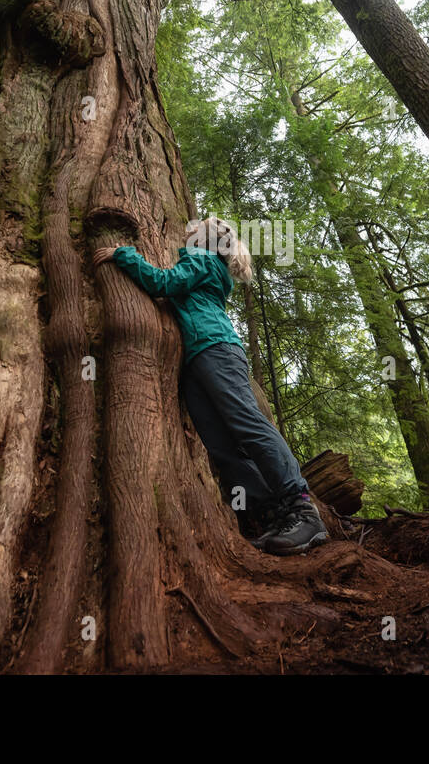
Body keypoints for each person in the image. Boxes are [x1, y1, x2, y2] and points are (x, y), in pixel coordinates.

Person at [92, 217, 329, 555]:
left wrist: (123, 254)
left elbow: (162, 283)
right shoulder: (205, 263)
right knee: (220, 446)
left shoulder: (201, 260)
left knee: (248, 425)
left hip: (216, 348)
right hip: (198, 359)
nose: (186, 231)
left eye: (193, 229)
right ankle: (274, 516)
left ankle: (302, 507)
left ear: (204, 240)